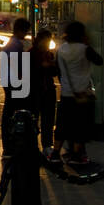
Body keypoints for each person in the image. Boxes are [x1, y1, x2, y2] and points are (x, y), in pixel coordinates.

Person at [55, 21, 104, 165]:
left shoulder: (61, 49)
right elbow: (99, 61)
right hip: (82, 94)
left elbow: (58, 71)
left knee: (62, 124)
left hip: (66, 93)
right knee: (80, 125)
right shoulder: (85, 49)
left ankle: (55, 153)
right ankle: (77, 155)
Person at [0, 17, 31, 155]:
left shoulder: (11, 44)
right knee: (10, 113)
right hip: (13, 83)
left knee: (9, 112)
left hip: (8, 82)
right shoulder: (15, 46)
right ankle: (9, 144)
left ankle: (8, 144)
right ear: (20, 30)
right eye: (25, 31)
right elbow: (17, 66)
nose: (26, 34)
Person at [30, 28, 60, 159]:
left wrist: (51, 65)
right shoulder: (31, 54)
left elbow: (54, 72)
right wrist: (43, 66)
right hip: (36, 91)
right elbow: (29, 73)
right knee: (34, 119)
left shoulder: (49, 54)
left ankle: (47, 145)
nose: (48, 44)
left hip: (48, 91)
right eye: (47, 41)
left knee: (48, 120)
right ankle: (33, 146)